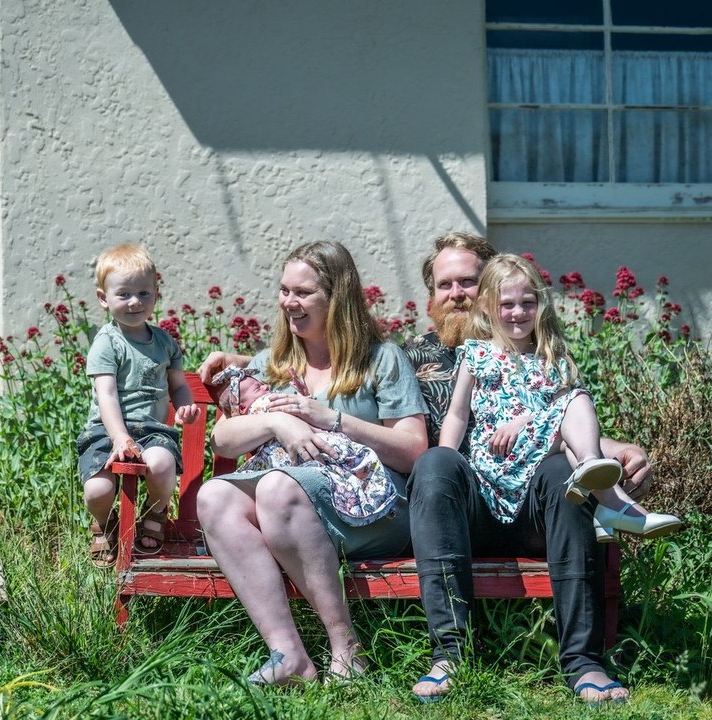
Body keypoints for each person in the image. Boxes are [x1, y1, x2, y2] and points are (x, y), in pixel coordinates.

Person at [406, 232, 654, 704]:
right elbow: (414, 428)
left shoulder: (544, 354)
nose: (458, 293)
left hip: (536, 497)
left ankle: (583, 662)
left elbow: (566, 410)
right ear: (431, 296)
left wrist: (619, 448)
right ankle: (448, 655)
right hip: (460, 503)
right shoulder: (406, 358)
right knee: (436, 460)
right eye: (446, 284)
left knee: (565, 474)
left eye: (469, 282)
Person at [195, 241, 428, 686]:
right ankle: (289, 656)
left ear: (336, 297)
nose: (289, 302)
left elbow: (413, 449)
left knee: (277, 487)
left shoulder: (381, 359)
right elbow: (222, 439)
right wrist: (281, 422)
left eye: (302, 292)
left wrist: (333, 419)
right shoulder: (274, 362)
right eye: (284, 291)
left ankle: (347, 651)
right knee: (215, 495)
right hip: (293, 504)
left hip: (376, 505)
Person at [438, 253, 681, 542]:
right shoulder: (478, 354)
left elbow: (571, 421)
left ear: (540, 304)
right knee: (574, 403)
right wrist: (447, 460)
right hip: (499, 458)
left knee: (576, 405)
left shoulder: (552, 357)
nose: (519, 312)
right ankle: (610, 495)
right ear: (487, 308)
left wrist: (527, 422)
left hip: (540, 460)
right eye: (507, 304)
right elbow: (458, 414)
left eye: (528, 302)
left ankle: (602, 488)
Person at [76, 243, 201, 567]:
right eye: (124, 294)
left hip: (152, 431)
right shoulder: (107, 342)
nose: (135, 302)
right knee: (97, 490)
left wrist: (185, 406)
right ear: (104, 298)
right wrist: (118, 437)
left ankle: (154, 511)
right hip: (106, 432)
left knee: (161, 464)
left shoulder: (164, 342)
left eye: (144, 293)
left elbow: (178, 385)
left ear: (156, 294)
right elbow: (107, 395)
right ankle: (104, 521)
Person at [209, 365, 397, 525]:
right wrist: (278, 420)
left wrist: (303, 398)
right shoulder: (261, 406)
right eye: (258, 388)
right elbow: (221, 437)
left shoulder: (264, 400)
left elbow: (302, 412)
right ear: (242, 408)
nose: (266, 388)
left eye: (263, 385)